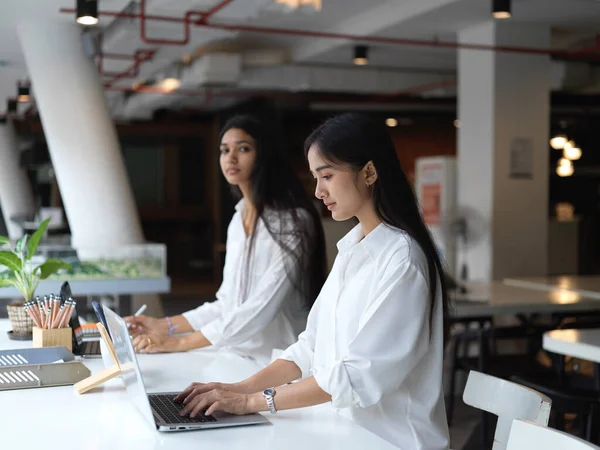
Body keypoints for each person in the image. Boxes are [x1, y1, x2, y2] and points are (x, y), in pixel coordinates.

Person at [172, 113, 451, 450]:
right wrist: (240, 389)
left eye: (327, 176)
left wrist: (252, 403)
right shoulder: (353, 247)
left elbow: (355, 378)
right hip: (341, 430)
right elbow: (310, 347)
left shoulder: (402, 259)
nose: (318, 191)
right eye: (316, 178)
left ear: (370, 172)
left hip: (390, 441)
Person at [126, 115, 327, 366]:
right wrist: (165, 325)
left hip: (277, 362)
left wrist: (179, 342)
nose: (230, 158)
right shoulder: (238, 220)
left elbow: (259, 308)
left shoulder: (293, 223)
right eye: (224, 150)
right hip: (234, 353)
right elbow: (227, 304)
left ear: (264, 155)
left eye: (243, 148)